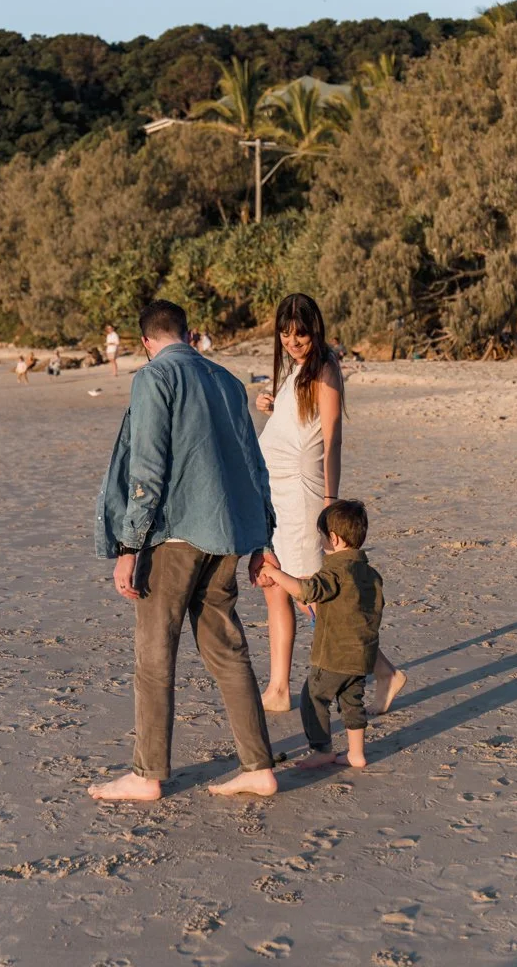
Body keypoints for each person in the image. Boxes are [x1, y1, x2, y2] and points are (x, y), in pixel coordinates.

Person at [90, 299, 278, 804]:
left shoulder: (154, 378)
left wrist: (129, 546)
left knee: (154, 655)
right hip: (228, 536)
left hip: (173, 538)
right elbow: (254, 464)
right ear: (190, 333)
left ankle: (147, 774)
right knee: (227, 648)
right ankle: (258, 766)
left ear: (146, 341)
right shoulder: (227, 382)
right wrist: (264, 539)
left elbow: (147, 472)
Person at [253, 293, 406, 716]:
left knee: (315, 597)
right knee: (274, 585)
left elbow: (332, 438)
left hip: (305, 494)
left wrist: (329, 502)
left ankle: (385, 671)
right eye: (285, 334)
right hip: (277, 492)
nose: (292, 341)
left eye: (299, 333)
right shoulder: (295, 370)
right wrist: (270, 405)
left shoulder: (325, 370)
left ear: (313, 330)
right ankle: (279, 687)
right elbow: (294, 424)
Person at [258, 500, 381, 769]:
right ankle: (356, 753)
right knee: (352, 702)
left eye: (324, 537)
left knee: (313, 698)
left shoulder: (335, 570)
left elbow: (307, 591)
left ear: (334, 538)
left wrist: (276, 574)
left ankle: (322, 749)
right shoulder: (371, 573)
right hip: (362, 654)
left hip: (333, 654)